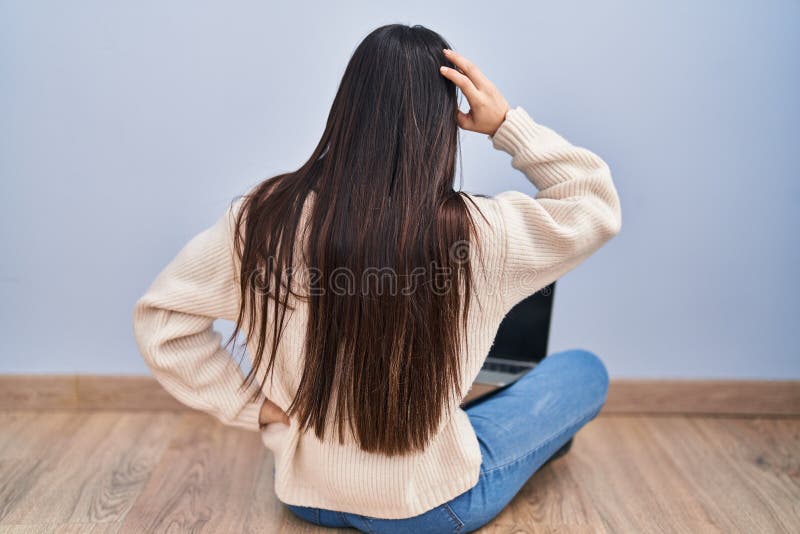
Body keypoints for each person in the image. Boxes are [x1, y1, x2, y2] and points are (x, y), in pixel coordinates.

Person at [132, 23, 621, 533]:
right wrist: (505, 125)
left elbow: (162, 320)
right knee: (582, 371)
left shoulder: (261, 218)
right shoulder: (483, 232)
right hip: (430, 509)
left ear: (347, 108)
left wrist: (253, 407)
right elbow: (595, 205)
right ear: (442, 122)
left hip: (307, 497)